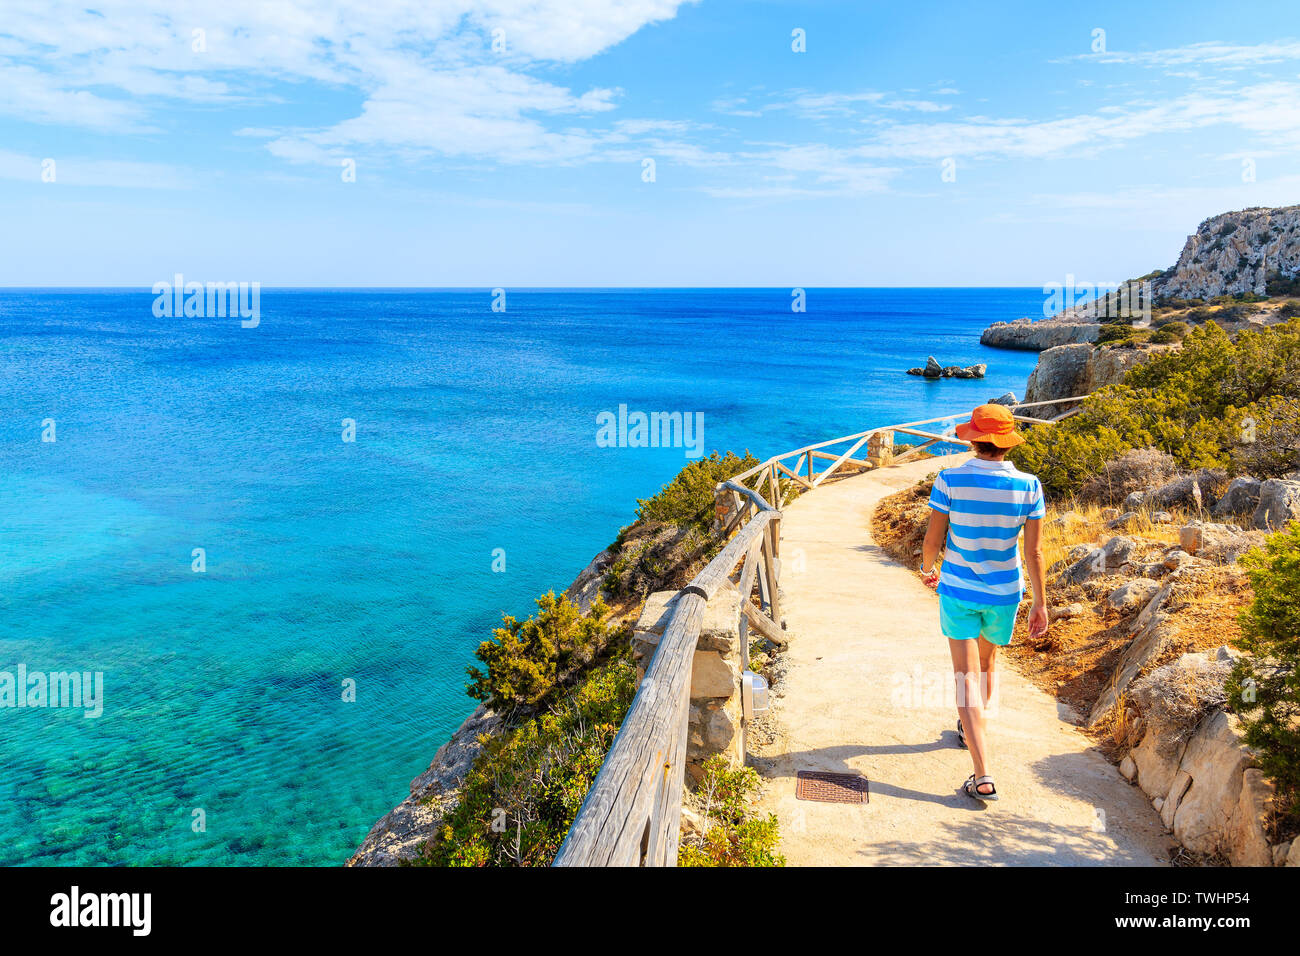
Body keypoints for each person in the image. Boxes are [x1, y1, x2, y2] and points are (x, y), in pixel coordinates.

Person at [919, 403, 1048, 802]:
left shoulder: (950, 480)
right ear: (1007, 442)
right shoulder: (1029, 486)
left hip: (958, 589)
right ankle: (970, 728)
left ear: (974, 438)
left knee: (964, 678)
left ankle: (983, 774)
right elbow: (1035, 553)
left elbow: (932, 542)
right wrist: (1041, 603)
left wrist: (928, 570)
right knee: (987, 664)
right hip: (1005, 593)